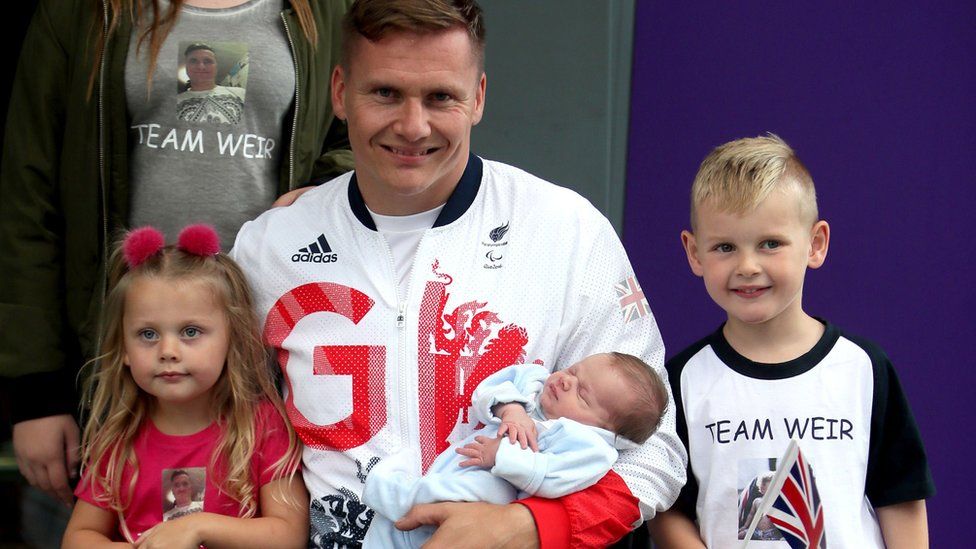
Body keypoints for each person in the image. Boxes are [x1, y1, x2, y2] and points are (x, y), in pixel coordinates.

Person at [230, 1, 687, 546]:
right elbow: (226, 433)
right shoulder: (270, 246)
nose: (412, 125)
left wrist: (529, 528)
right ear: (339, 92)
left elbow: (655, 453)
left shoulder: (566, 231)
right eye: (385, 93)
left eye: (440, 96)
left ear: (479, 98)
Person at [0, 0, 352, 511]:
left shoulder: (323, 10)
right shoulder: (81, 13)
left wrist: (325, 188)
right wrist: (37, 394)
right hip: (120, 368)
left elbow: (356, 128)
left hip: (266, 365)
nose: (205, 69)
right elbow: (26, 200)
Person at [648, 134, 934, 548]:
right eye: (725, 247)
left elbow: (901, 497)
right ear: (694, 253)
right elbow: (668, 508)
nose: (748, 266)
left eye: (770, 244)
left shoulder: (863, 367)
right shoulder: (681, 380)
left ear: (815, 244)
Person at [62, 225, 308, 547]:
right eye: (147, 334)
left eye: (190, 332)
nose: (168, 351)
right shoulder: (119, 438)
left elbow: (289, 536)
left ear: (231, 338)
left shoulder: (262, 426)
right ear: (123, 348)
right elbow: (77, 538)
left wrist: (198, 527)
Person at [362, 353, 669, 547]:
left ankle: (384, 489)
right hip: (458, 469)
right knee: (389, 532)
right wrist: (512, 409)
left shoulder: (588, 447)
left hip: (490, 497)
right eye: (574, 371)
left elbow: (550, 478)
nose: (565, 382)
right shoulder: (534, 389)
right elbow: (489, 390)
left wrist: (502, 456)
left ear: (605, 430)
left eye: (582, 394)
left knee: (428, 501)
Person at [176, 42, 247, 124]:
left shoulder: (241, 94)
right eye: (193, 61)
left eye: (207, 61)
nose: (201, 67)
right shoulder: (173, 103)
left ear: (216, 67)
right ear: (186, 67)